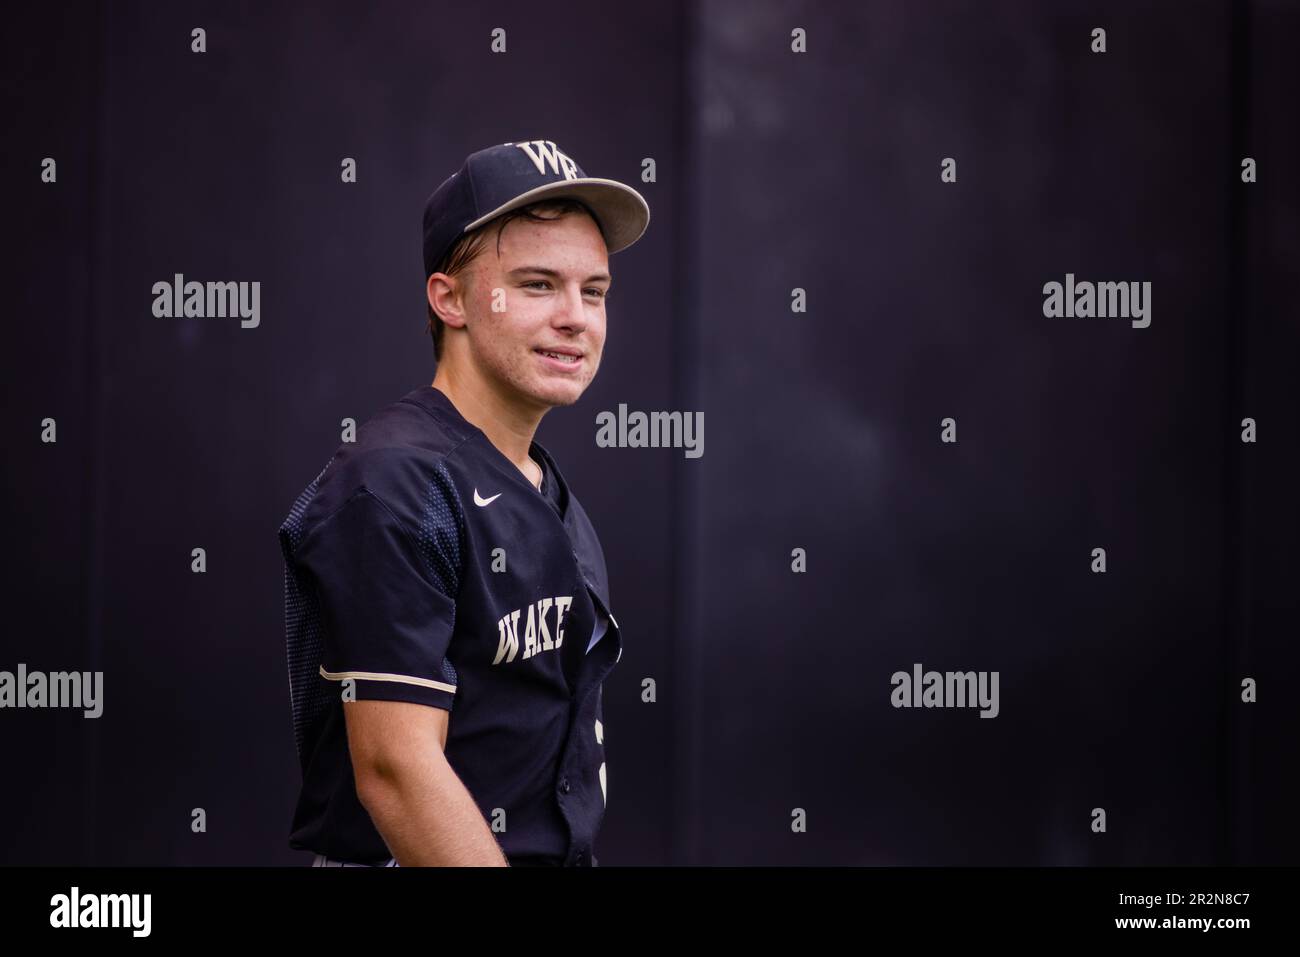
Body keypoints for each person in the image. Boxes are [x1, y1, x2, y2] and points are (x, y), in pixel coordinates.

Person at [278, 139, 649, 866]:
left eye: (594, 290)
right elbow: (396, 772)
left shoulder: (547, 489)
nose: (577, 316)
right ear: (448, 298)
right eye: (539, 284)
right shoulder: (394, 482)